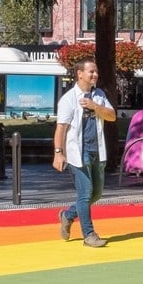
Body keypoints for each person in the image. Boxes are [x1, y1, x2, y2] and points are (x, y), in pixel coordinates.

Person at [53, 57, 117, 248]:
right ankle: (89, 235)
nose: (95, 75)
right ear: (79, 74)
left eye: (96, 71)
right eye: (91, 72)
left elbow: (112, 116)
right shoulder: (68, 99)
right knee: (85, 192)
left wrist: (95, 107)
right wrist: (58, 152)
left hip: (97, 150)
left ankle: (68, 215)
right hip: (78, 153)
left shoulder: (99, 95)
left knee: (96, 194)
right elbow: (61, 129)